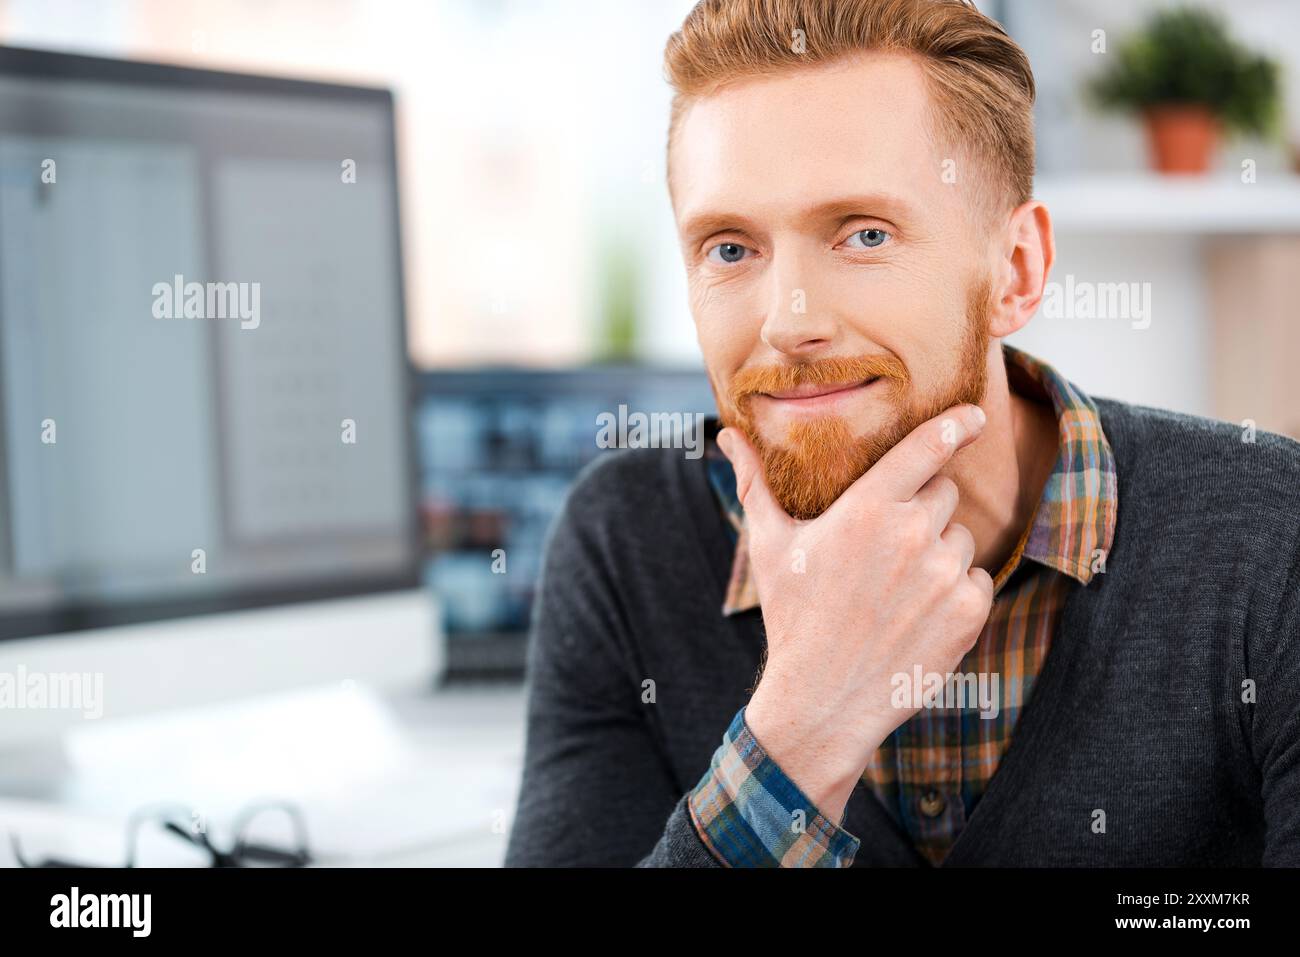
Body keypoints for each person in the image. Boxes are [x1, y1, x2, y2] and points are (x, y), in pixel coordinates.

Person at [505, 0, 1300, 867]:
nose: (787, 324)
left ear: (1016, 270)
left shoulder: (1271, 537)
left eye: (864, 234)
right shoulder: (626, 545)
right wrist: (802, 728)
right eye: (731, 249)